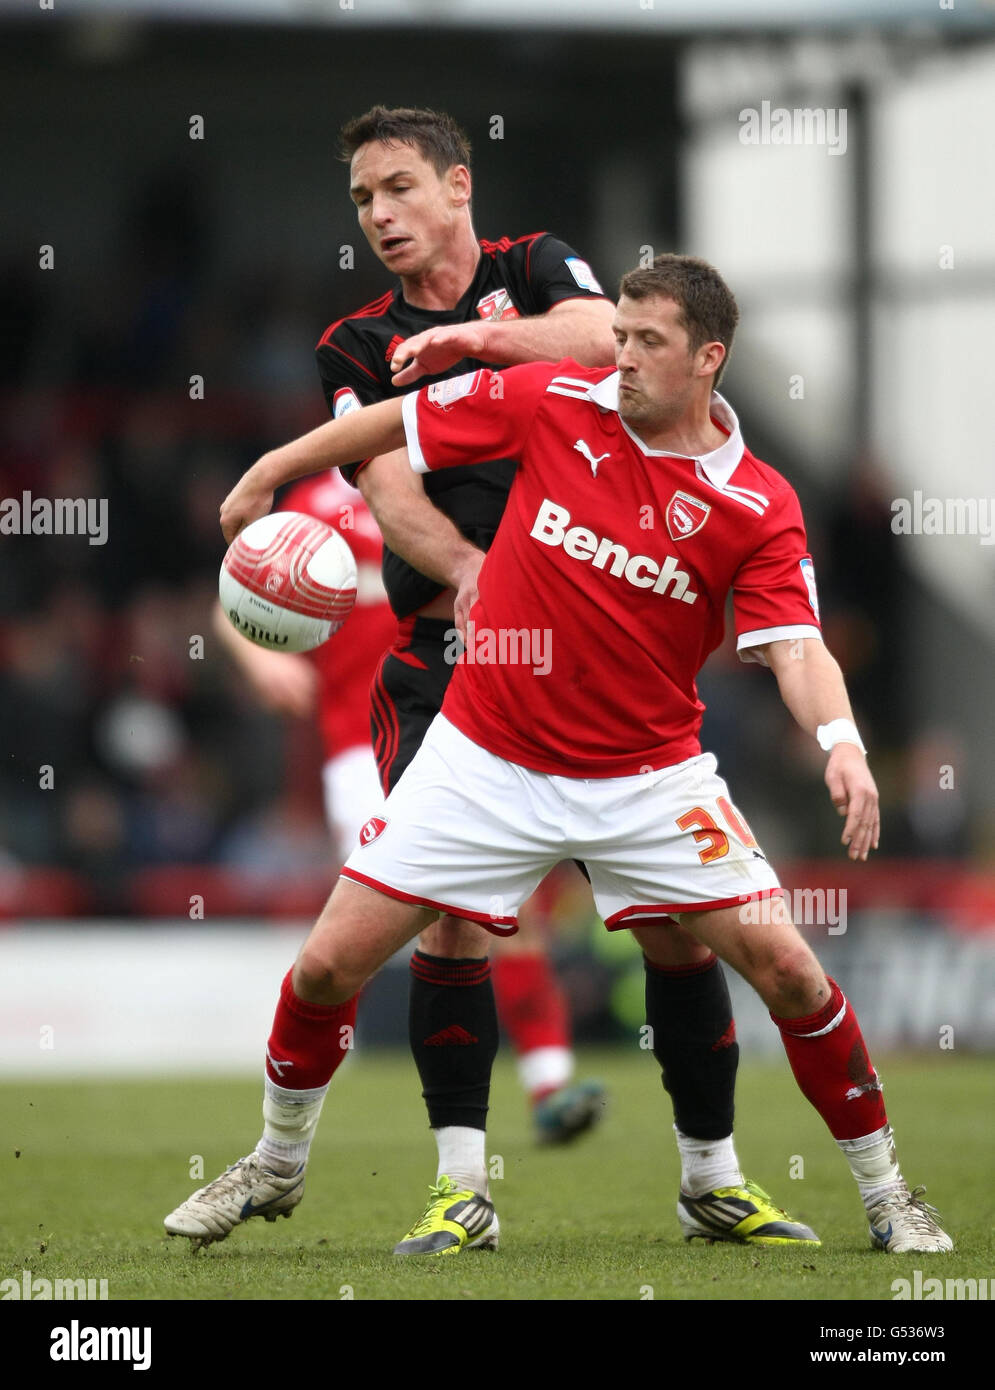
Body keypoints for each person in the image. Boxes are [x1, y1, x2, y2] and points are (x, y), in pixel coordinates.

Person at [167, 253, 953, 1257]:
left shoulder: (758, 504)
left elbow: (794, 646)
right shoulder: (555, 400)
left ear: (708, 359)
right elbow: (389, 426)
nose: (619, 360)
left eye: (648, 345)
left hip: (650, 780)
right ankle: (276, 1165)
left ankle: (886, 1197)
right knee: (324, 967)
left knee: (790, 974)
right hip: (483, 757)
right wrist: (269, 471)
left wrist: (839, 744)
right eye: (616, 337)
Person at [213, 468, 394, 866]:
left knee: (500, 908)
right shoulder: (315, 506)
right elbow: (231, 603)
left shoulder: (449, 485)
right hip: (362, 744)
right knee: (388, 892)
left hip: (464, 735)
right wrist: (263, 660)